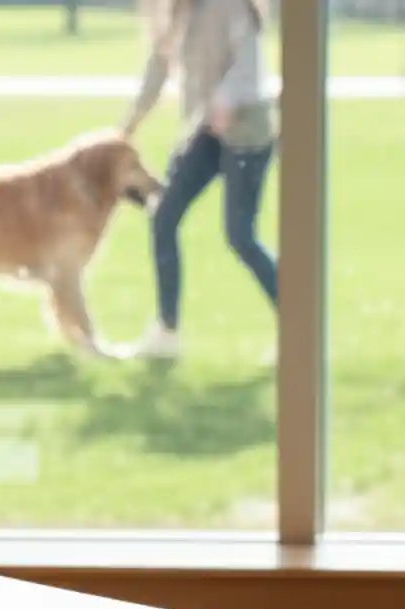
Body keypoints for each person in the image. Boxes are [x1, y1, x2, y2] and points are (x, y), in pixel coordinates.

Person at [120, 0, 278, 359]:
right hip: (205, 131)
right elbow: (157, 69)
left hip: (247, 132)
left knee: (240, 236)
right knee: (164, 217)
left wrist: (225, 101)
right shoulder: (179, 12)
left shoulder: (232, 8)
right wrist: (128, 127)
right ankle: (167, 332)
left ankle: (297, 324)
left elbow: (248, 66)